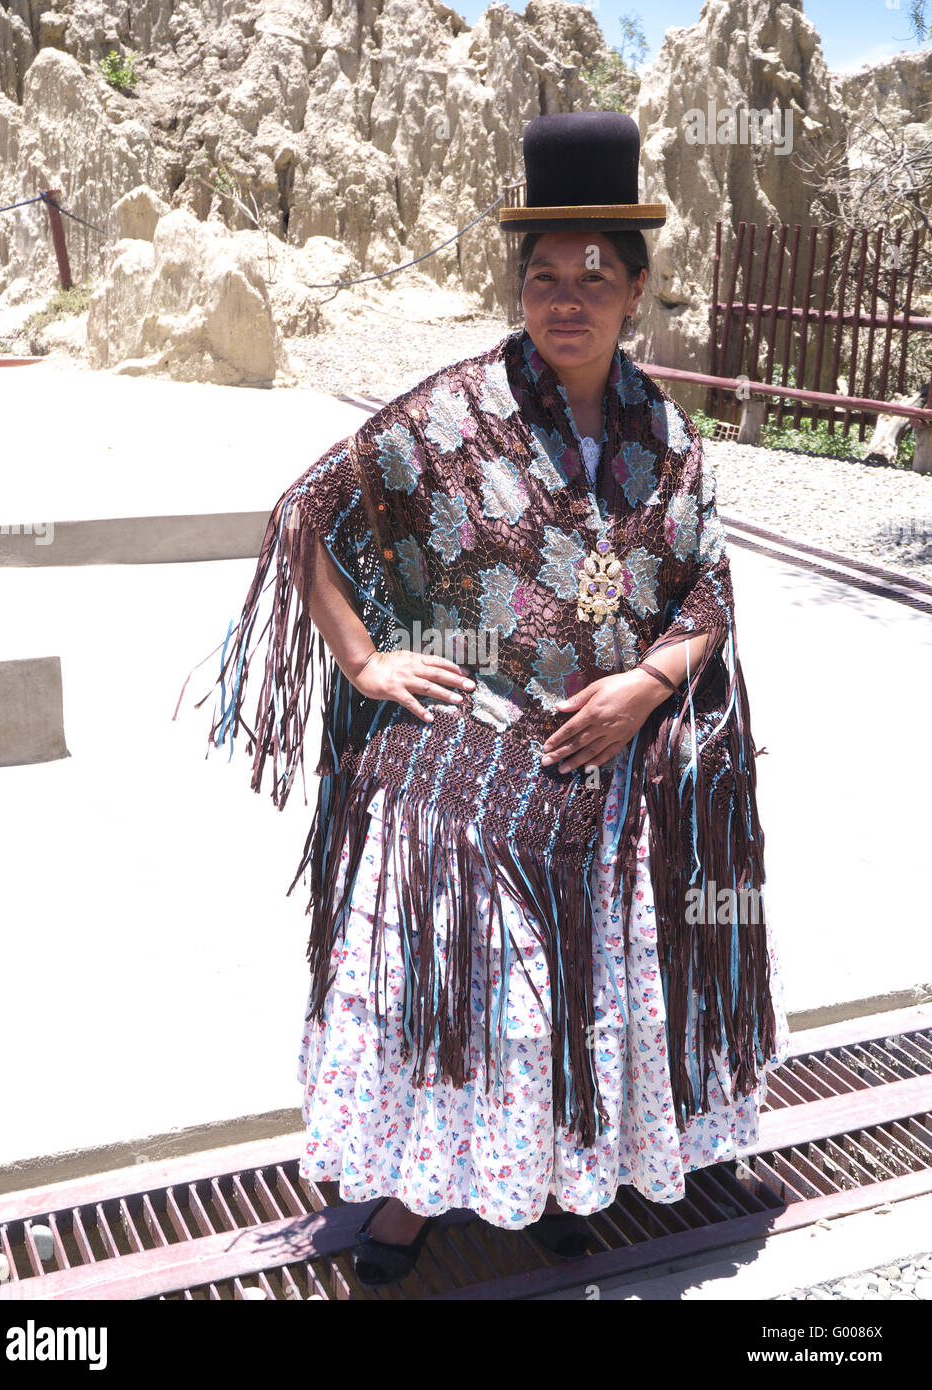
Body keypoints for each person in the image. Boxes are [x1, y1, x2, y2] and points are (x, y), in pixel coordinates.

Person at [179, 111, 790, 1289]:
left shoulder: (670, 439)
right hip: (484, 725)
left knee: (619, 873)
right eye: (542, 276)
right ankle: (414, 1188)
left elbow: (707, 592)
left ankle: (568, 1170)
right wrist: (364, 663)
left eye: (593, 277)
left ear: (637, 290)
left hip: (612, 740)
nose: (567, 299)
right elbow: (303, 516)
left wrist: (646, 684)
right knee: (454, 877)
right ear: (518, 286)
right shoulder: (451, 415)